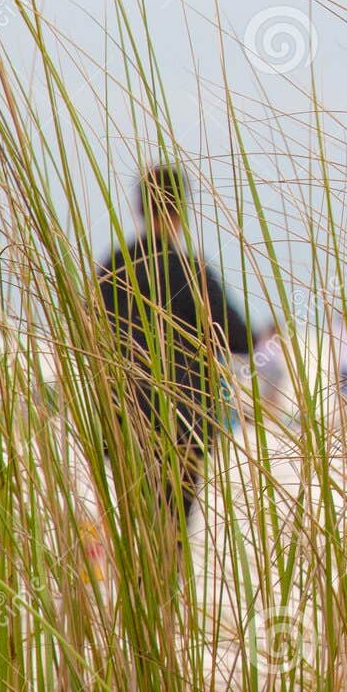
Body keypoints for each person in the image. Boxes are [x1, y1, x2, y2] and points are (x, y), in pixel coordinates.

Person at [96, 163, 272, 534]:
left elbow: (88, 337)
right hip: (183, 429)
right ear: (181, 210)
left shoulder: (112, 268)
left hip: (124, 422)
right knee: (171, 537)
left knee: (135, 535)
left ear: (140, 207)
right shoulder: (190, 271)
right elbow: (238, 338)